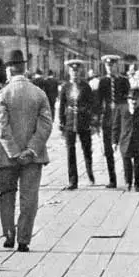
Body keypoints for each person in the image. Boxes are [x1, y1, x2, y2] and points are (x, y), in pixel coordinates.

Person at [0, 51, 53, 252]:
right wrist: (31, 149)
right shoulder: (39, 93)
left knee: (7, 195)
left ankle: (9, 234)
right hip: (33, 157)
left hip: (7, 156)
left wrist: (14, 151)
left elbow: (2, 127)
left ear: (9, 69)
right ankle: (24, 239)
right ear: (24, 68)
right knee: (29, 197)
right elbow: (46, 124)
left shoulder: (2, 94)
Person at [57, 59, 98, 188]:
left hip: (83, 122)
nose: (75, 73)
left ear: (80, 71)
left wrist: (91, 120)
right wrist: (61, 123)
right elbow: (62, 105)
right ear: (69, 72)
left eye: (77, 71)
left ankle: (90, 174)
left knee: (87, 150)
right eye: (72, 71)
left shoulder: (86, 86)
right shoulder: (65, 87)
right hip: (70, 122)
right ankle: (73, 181)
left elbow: (92, 104)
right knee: (70, 151)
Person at [94, 53, 130, 189]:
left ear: (117, 66)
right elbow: (98, 102)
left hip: (121, 119)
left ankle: (128, 179)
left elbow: (128, 99)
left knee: (125, 148)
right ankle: (112, 179)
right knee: (108, 151)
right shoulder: (102, 82)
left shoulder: (124, 81)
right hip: (108, 119)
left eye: (112, 65)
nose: (110, 68)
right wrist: (97, 119)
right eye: (107, 66)